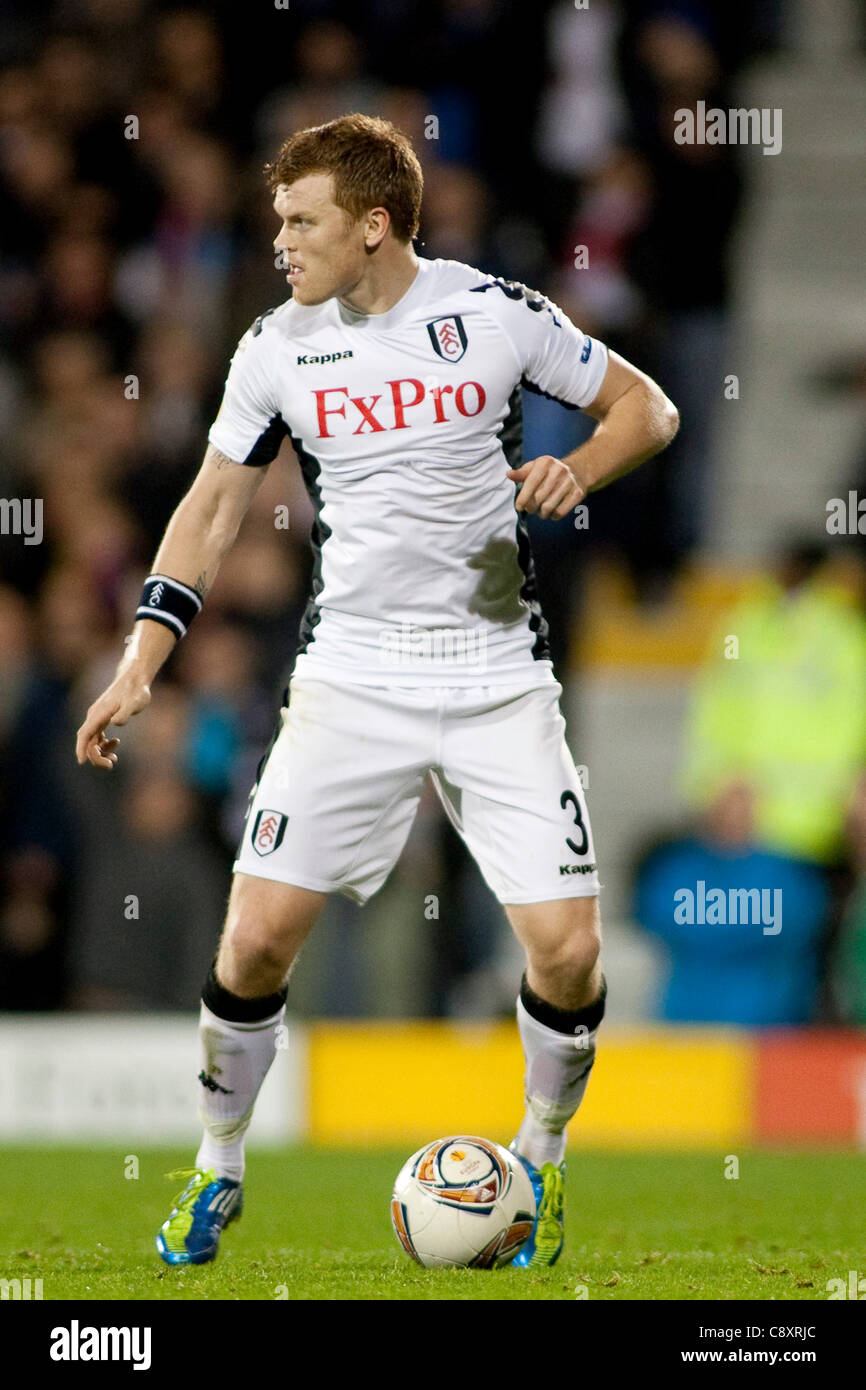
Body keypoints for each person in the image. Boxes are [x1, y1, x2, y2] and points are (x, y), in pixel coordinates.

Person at [75, 115, 678, 1270]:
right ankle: (217, 1166)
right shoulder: (274, 346)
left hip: (496, 675)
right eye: (275, 222)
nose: (281, 243)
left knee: (565, 955)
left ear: (372, 224)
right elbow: (210, 506)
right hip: (351, 673)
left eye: (300, 222)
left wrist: (576, 465)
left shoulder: (491, 313)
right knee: (252, 941)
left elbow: (646, 410)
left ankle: (540, 1162)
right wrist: (141, 657)